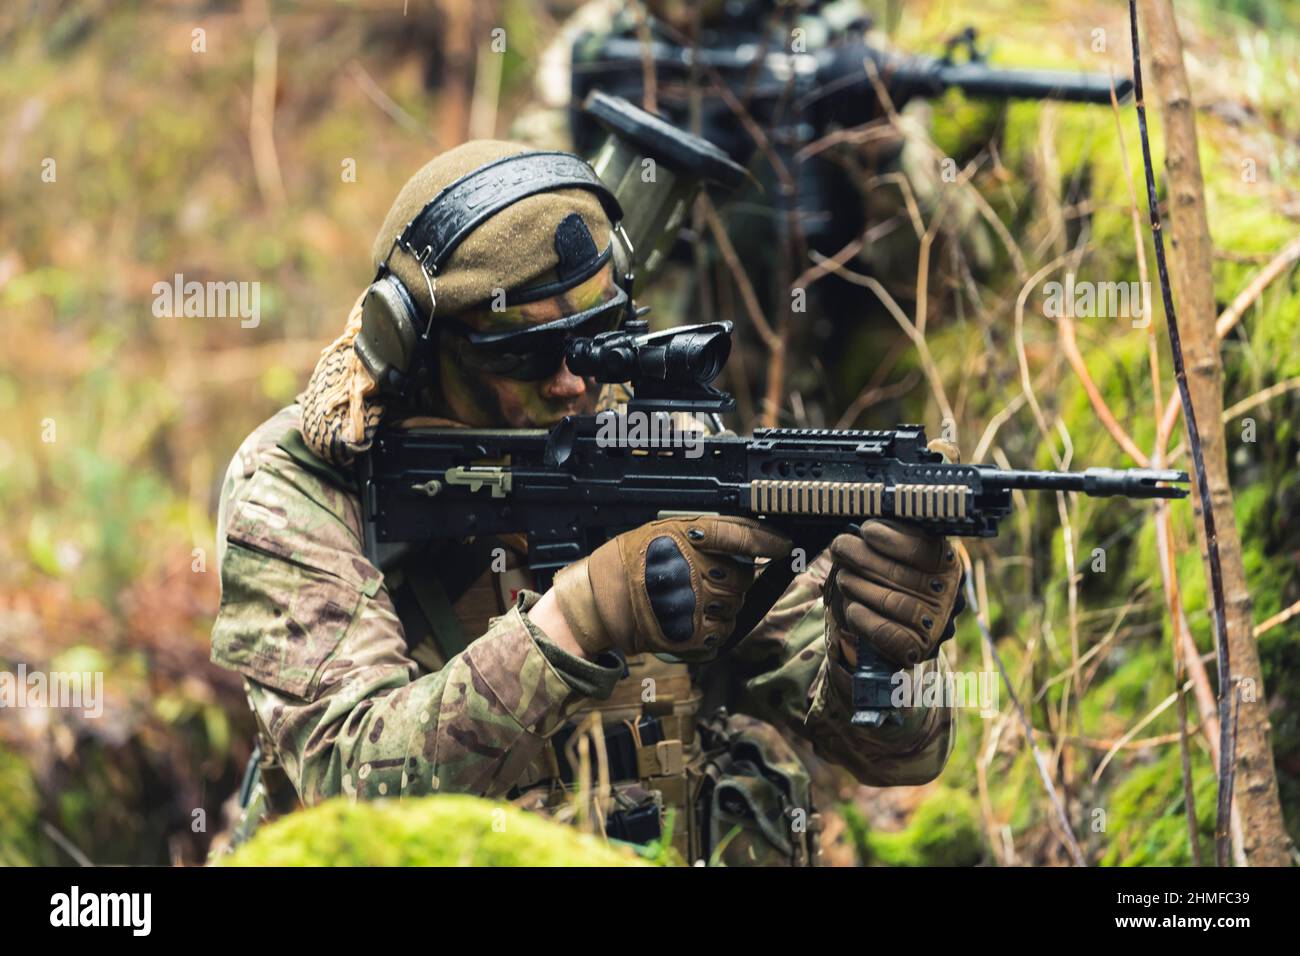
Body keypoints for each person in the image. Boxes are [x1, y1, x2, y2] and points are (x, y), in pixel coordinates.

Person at [210, 139, 964, 865]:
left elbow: (900, 756)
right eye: (525, 354)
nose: (572, 383)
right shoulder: (309, 480)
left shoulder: (653, 441)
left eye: (595, 339)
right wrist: (582, 615)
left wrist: (879, 649)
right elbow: (351, 795)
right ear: (417, 347)